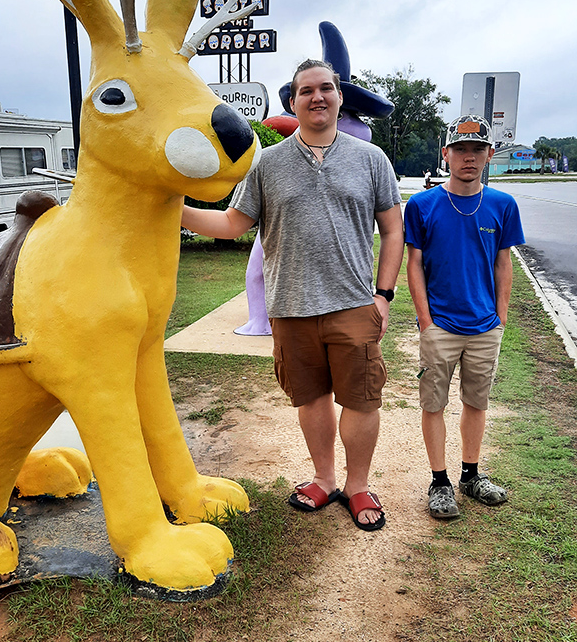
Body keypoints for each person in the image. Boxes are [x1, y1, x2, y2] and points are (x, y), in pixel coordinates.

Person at [182, 60, 403, 530]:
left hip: (352, 304)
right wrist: (172, 210)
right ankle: (324, 479)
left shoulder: (371, 159)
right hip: (290, 309)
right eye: (307, 91)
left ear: (339, 97)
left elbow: (392, 230)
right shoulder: (267, 164)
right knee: (311, 400)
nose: (317, 97)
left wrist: (383, 294)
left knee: (362, 400)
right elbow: (232, 224)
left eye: (326, 88)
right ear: (292, 102)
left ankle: (358, 486)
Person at [404, 115, 525, 519]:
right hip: (440, 325)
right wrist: (426, 321)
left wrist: (500, 318)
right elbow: (414, 264)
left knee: (477, 401)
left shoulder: (502, 205)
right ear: (446, 155)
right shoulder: (422, 205)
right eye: (460, 149)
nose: (468, 158)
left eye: (477, 150)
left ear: (489, 155)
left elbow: (503, 264)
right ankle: (439, 482)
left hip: (485, 325)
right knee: (433, 403)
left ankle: (470, 475)